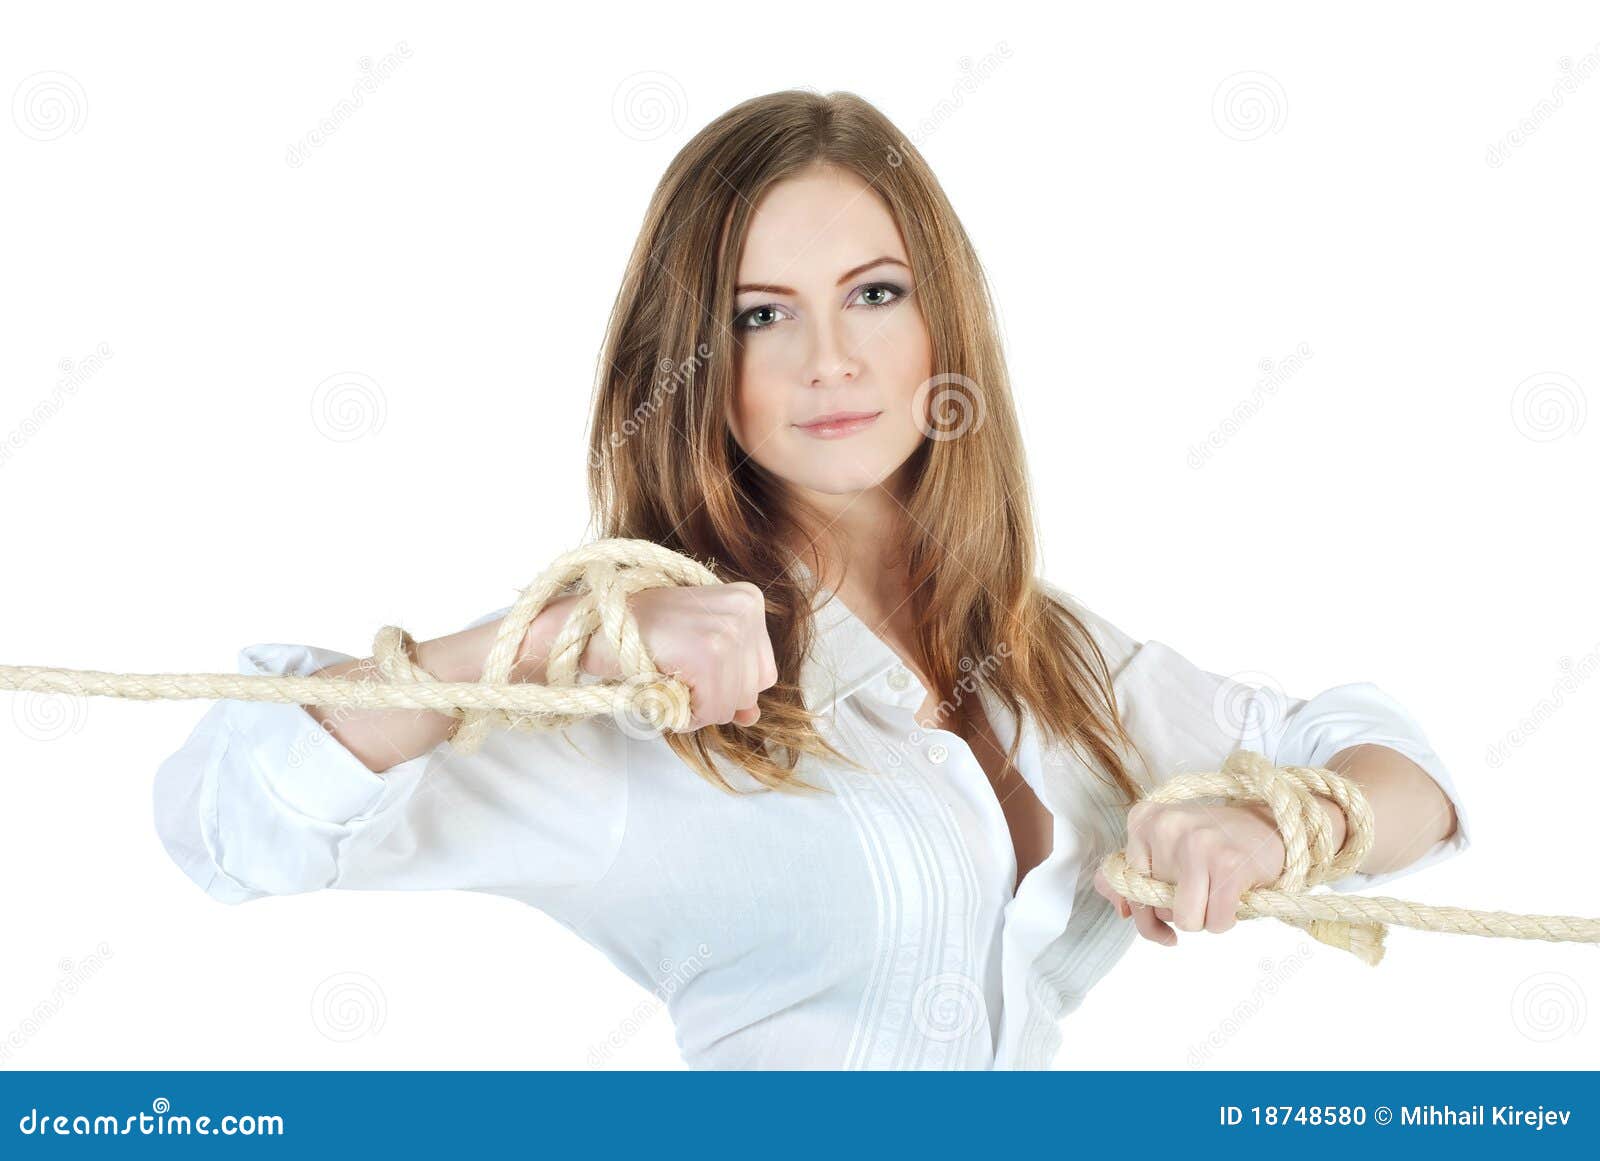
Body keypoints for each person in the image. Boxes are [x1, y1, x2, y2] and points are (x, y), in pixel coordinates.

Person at [153, 89, 1468, 1070]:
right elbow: (228, 822)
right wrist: (566, 637)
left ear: (942, 322)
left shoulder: (1054, 658)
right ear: (695, 364)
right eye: (759, 313)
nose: (829, 358)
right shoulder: (642, 697)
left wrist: (1283, 824)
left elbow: (1389, 764)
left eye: (877, 293)